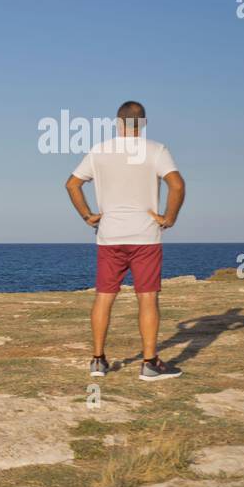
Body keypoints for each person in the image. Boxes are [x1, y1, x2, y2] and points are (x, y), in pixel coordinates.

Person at [66, 100, 186, 380]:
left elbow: (72, 183)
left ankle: (98, 360)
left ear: (118, 124)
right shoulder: (156, 150)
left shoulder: (99, 151)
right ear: (143, 124)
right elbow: (177, 184)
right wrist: (169, 217)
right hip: (145, 235)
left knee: (104, 297)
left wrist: (87, 215)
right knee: (147, 298)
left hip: (110, 235)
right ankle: (149, 363)